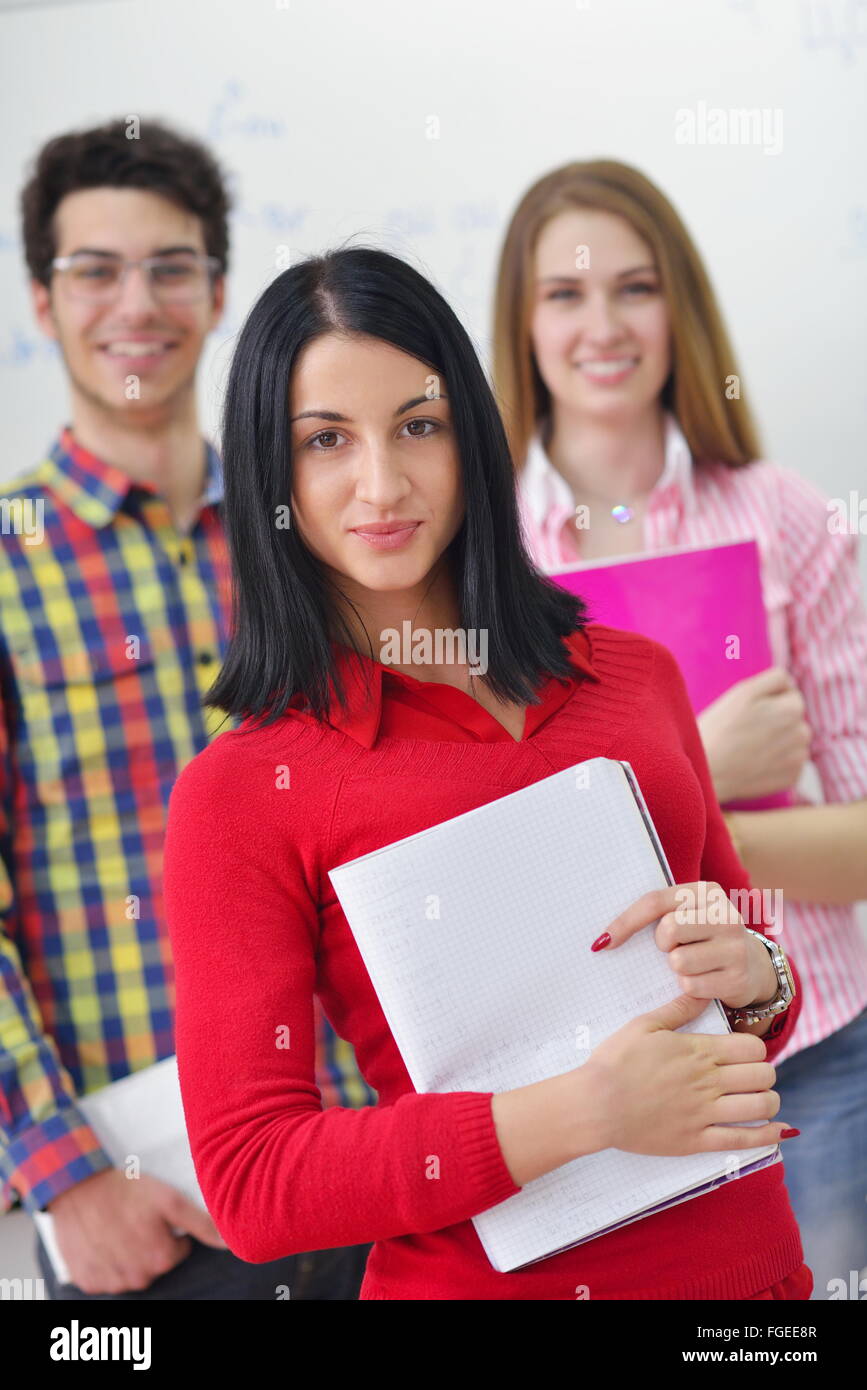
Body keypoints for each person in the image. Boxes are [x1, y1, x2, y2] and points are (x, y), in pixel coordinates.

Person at [162, 244, 809, 1301]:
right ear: (270, 475)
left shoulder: (637, 678)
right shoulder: (239, 792)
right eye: (326, 441)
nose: (383, 482)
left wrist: (755, 972)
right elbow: (251, 1184)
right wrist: (584, 1114)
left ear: (471, 432)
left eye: (418, 425)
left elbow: (755, 982)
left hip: (757, 1286)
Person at [0, 118, 373, 1300]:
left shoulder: (320, 534)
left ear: (217, 294)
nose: (135, 303)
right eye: (93, 270)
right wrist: (61, 1175)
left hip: (373, 1148)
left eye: (169, 267)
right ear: (42, 302)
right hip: (150, 1210)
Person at [490, 158, 867, 1298]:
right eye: (564, 293)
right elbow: (503, 876)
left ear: (681, 307)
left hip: (813, 1058)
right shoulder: (479, 560)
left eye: (635, 287)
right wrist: (703, 763)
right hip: (589, 1090)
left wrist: (657, 819)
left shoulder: (789, 517)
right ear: (520, 325)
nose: (602, 324)